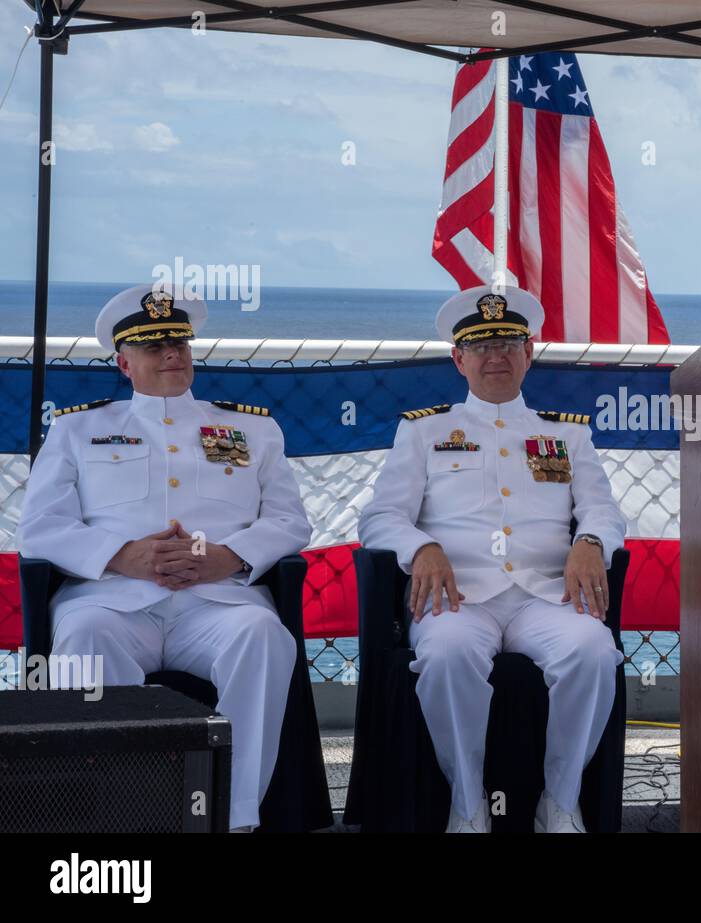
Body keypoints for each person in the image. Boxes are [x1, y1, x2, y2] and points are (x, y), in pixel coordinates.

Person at [19, 283, 311, 832]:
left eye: (178, 342)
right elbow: (39, 528)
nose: (172, 354)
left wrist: (230, 557)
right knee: (83, 640)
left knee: (264, 637)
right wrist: (121, 556)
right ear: (124, 363)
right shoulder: (78, 429)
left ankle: (235, 817)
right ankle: (126, 818)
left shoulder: (253, 428)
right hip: (111, 602)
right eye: (153, 347)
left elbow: (290, 519)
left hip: (217, 603)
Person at [358, 284, 625, 833]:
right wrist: (422, 546)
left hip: (543, 597)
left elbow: (604, 512)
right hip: (458, 598)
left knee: (594, 651)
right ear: (459, 359)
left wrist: (590, 542)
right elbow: (379, 519)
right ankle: (466, 801)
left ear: (529, 353)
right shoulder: (424, 430)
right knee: (448, 654)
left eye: (508, 342)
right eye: (481, 346)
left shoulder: (566, 436)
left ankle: (561, 800)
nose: (496, 355)